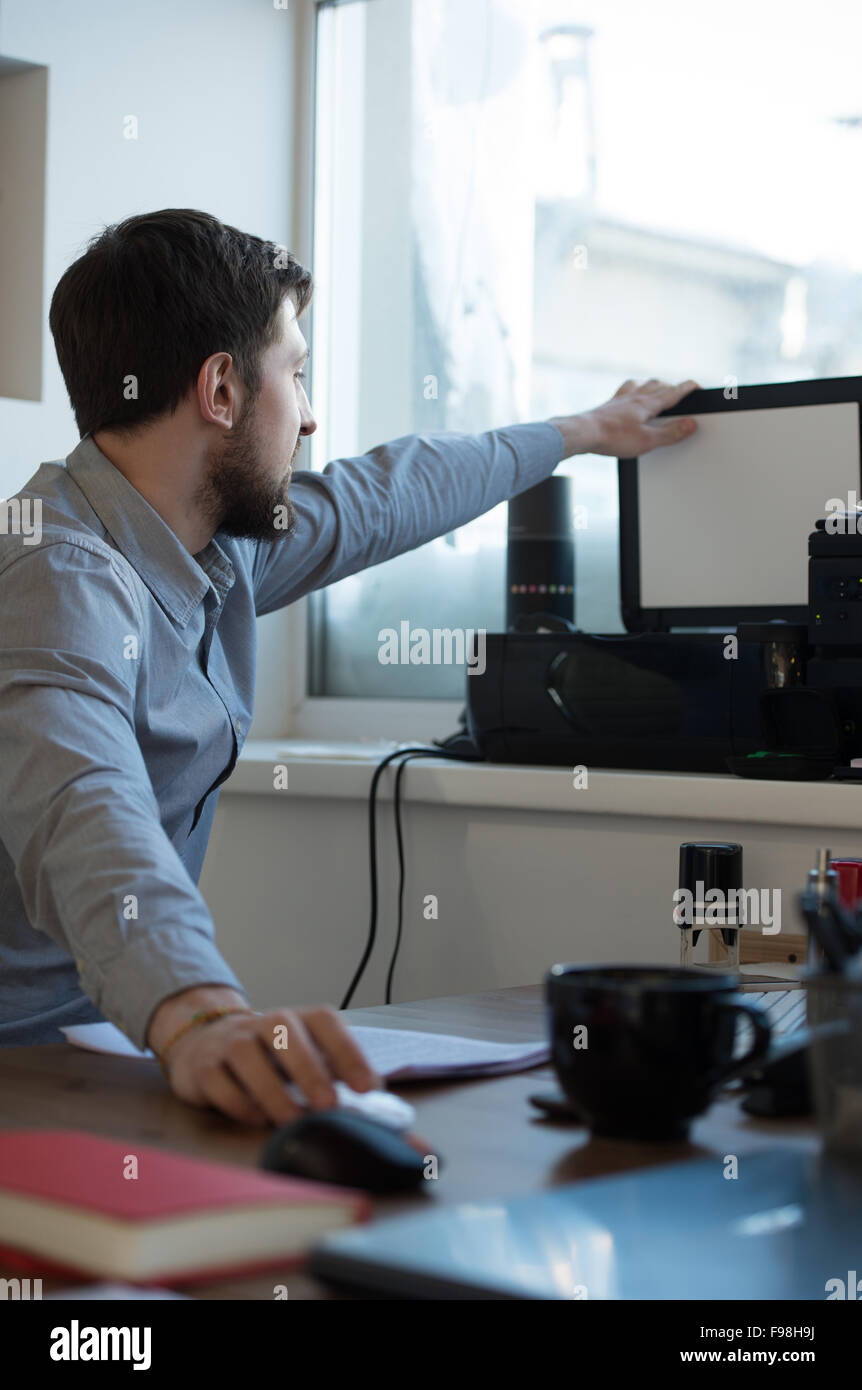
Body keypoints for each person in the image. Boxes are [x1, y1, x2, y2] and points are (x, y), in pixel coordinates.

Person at [0, 208, 698, 1126]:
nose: (311, 413)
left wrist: (582, 430)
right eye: (294, 372)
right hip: (29, 1073)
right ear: (220, 389)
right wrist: (200, 1010)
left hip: (106, 1053)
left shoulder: (208, 546)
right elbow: (82, 809)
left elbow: (384, 494)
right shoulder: (55, 573)